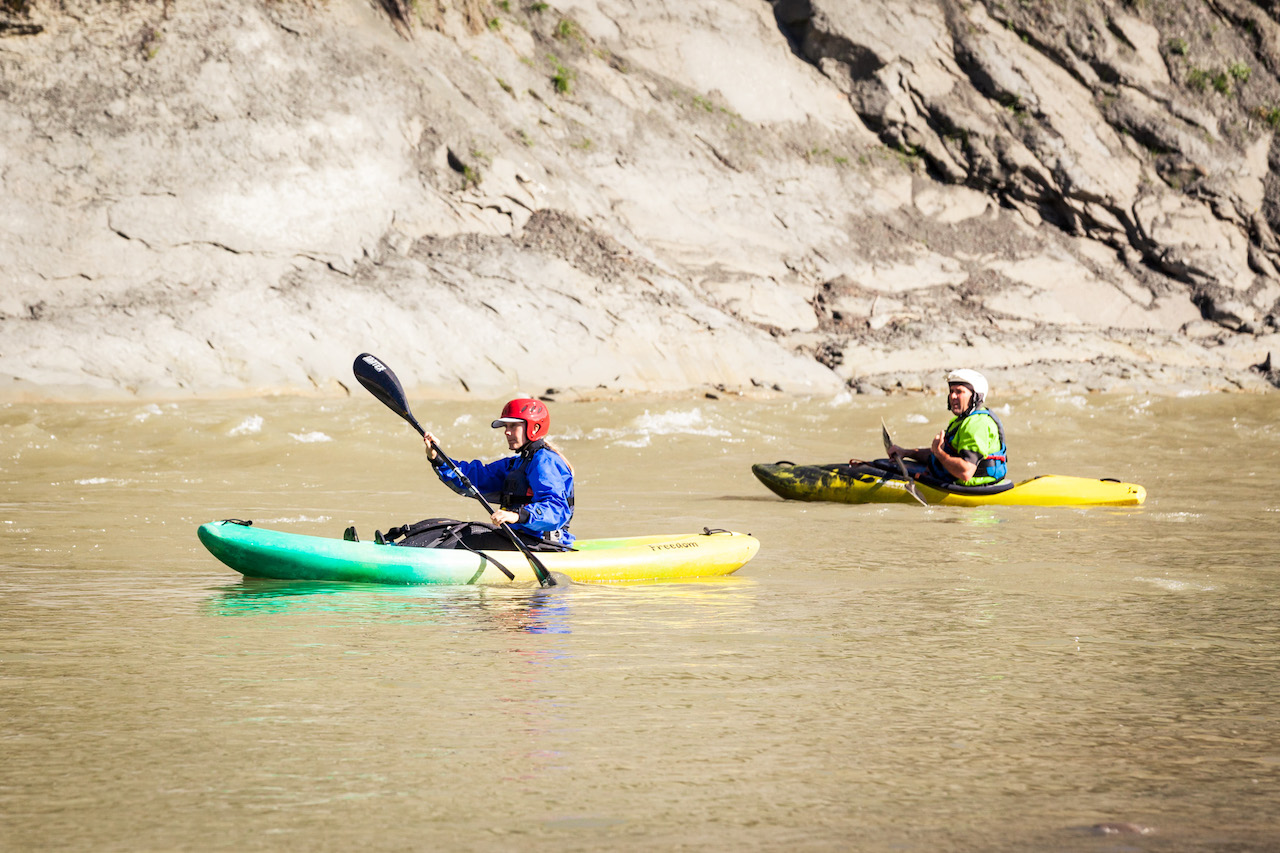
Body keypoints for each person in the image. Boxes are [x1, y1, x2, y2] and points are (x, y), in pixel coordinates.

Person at [421, 397, 575, 550]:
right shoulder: (517, 463)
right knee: (445, 529)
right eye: (506, 426)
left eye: (513, 426)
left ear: (534, 428)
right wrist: (438, 459)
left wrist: (517, 515)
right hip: (519, 538)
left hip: (545, 545)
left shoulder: (545, 461)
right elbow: (475, 477)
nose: (507, 432)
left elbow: (557, 509)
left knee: (466, 538)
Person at [887, 369, 1008, 486]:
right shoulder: (962, 420)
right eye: (951, 391)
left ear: (976, 396)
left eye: (959, 392)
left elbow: (965, 472)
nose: (953, 396)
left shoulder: (977, 425)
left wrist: (939, 454)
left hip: (973, 489)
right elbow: (943, 454)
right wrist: (906, 452)